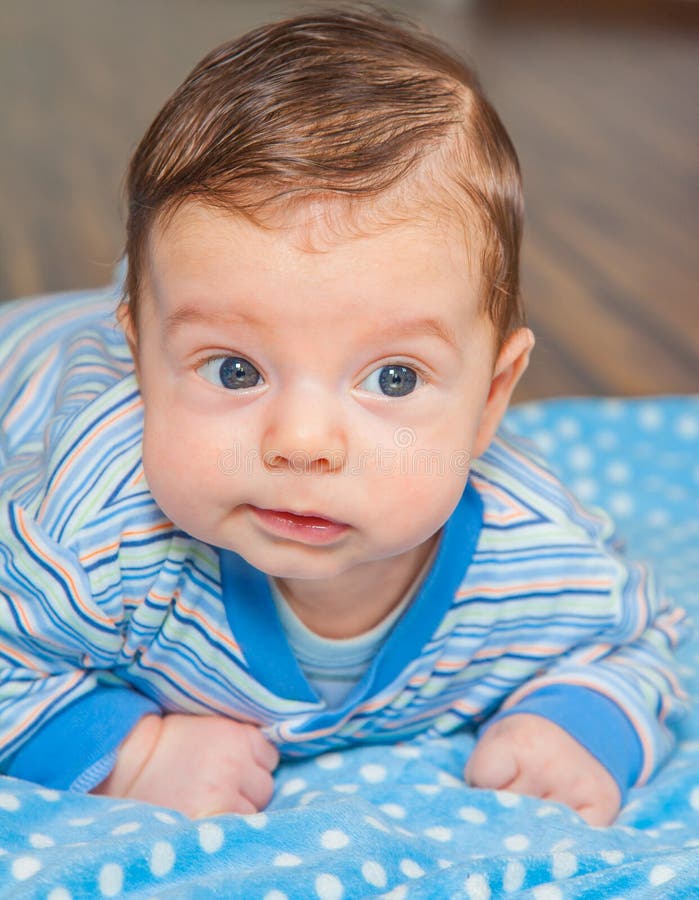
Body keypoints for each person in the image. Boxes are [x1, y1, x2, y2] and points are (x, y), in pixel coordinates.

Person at [0, 7, 690, 825]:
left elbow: (636, 642)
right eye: (235, 371)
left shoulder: (531, 558)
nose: (301, 442)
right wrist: (128, 751)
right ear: (143, 365)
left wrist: (574, 722)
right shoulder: (90, 536)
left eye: (393, 378)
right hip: (31, 365)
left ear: (492, 399)